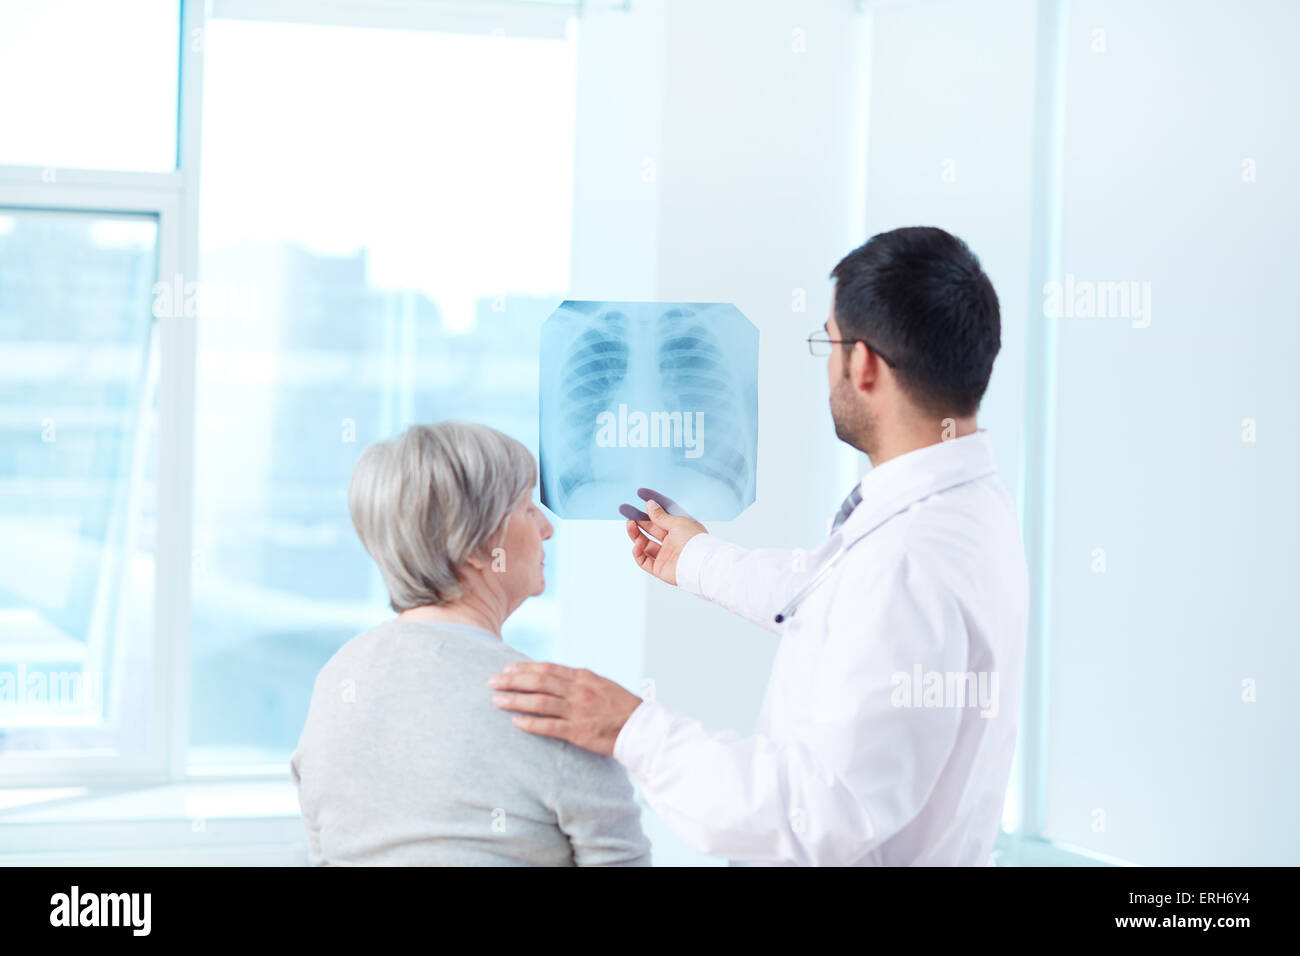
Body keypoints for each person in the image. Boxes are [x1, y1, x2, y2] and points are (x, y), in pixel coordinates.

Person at [489, 226, 1028, 866]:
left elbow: (815, 817)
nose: (827, 364)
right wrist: (698, 559)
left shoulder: (907, 561)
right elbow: (839, 608)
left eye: (826, 343)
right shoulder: (963, 510)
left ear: (864, 365)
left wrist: (631, 726)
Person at [291, 421, 650, 866]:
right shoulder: (552, 704)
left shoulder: (338, 681)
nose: (546, 529)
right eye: (527, 508)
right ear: (478, 547)